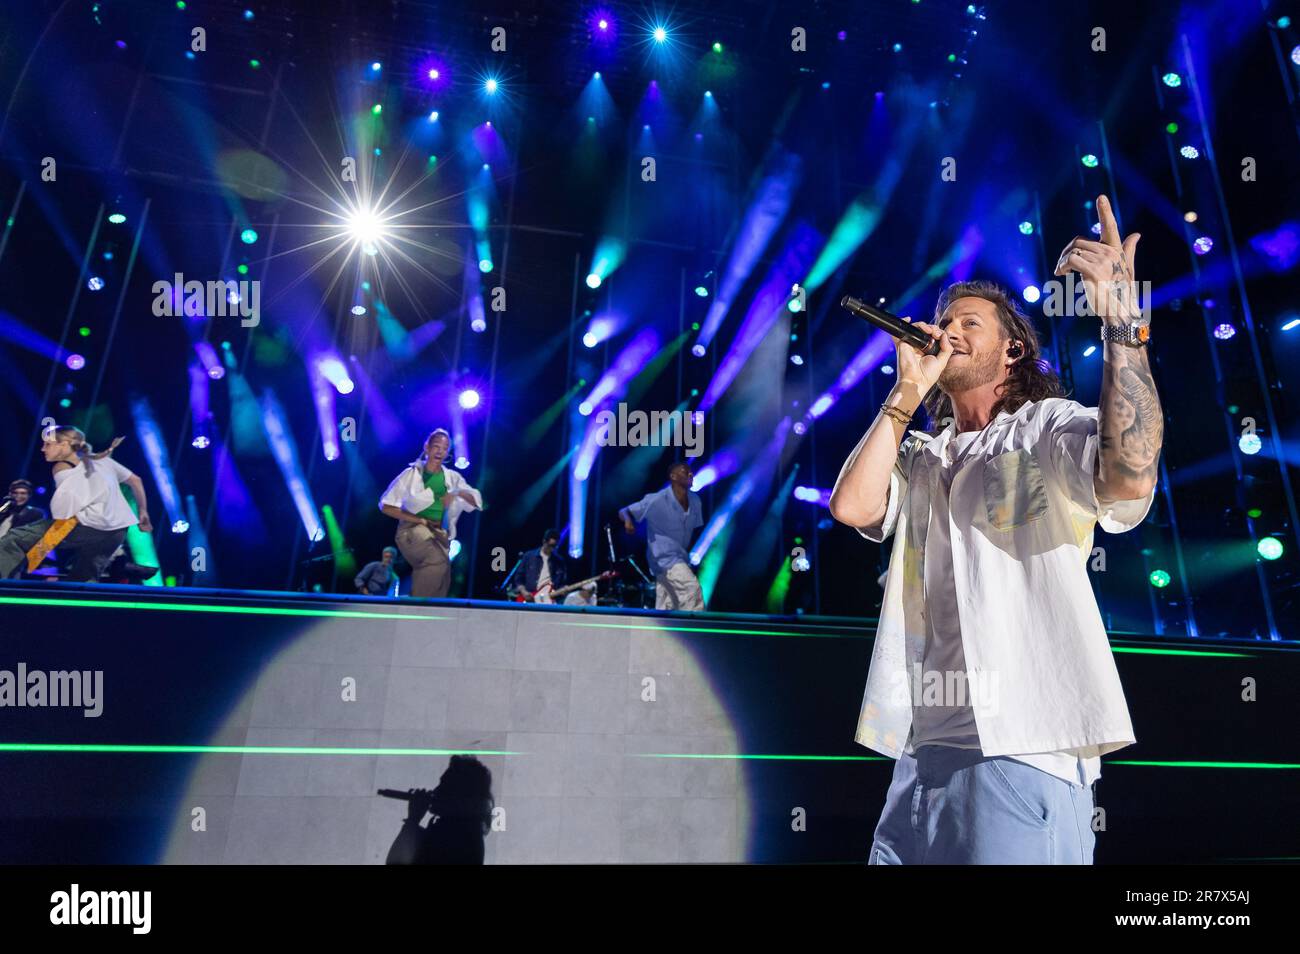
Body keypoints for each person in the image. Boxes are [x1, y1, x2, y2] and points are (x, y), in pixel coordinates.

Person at [829, 195, 1162, 865]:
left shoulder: (1046, 428)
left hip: (1024, 747)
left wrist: (1122, 321)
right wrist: (906, 394)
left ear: (1012, 349)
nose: (948, 329)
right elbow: (853, 508)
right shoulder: (922, 456)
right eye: (944, 319)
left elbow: (1129, 473)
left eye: (968, 322)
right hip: (921, 755)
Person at [0, 426, 153, 582]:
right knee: (84, 577)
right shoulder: (105, 462)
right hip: (117, 531)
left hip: (84, 525)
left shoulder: (62, 467)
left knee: (14, 539)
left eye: (48, 444)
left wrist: (40, 549)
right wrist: (143, 512)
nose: (42, 449)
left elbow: (66, 508)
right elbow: (136, 480)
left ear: (65, 444)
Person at [379, 428, 482, 598]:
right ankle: (416, 607)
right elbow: (385, 506)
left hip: (438, 534)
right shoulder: (411, 475)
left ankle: (423, 607)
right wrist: (419, 520)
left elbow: (477, 502)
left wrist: (456, 493)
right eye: (436, 446)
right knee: (436, 560)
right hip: (411, 530)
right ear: (427, 447)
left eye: (445, 448)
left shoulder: (451, 478)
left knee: (443, 575)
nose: (440, 451)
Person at [619, 460, 705, 611]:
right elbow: (624, 511)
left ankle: (660, 630)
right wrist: (628, 522)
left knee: (666, 603)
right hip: (664, 558)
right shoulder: (657, 499)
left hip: (674, 559)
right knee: (693, 592)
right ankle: (695, 630)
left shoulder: (691, 502)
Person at [385, 755, 494, 865]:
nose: (436, 790)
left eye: (443, 784)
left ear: (456, 793)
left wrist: (413, 820)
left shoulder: (454, 836)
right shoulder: (464, 832)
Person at [513, 528, 568, 602]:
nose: (552, 549)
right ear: (544, 541)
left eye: (555, 546)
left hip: (548, 599)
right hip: (529, 597)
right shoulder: (529, 556)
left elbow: (561, 583)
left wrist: (564, 589)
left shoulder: (559, 561)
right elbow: (518, 578)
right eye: (550, 545)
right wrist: (524, 592)